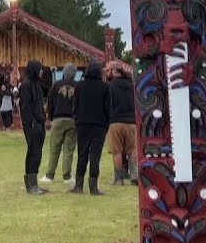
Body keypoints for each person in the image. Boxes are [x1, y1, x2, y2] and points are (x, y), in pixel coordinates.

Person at [71, 61, 111, 195]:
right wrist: (106, 124)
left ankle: (78, 185)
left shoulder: (79, 86)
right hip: (99, 125)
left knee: (82, 154)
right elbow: (108, 109)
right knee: (95, 155)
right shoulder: (105, 87)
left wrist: (77, 120)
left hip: (82, 125)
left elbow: (75, 106)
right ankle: (93, 187)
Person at [42, 64, 79, 186]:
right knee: (69, 149)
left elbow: (50, 102)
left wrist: (49, 118)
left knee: (54, 148)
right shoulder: (78, 86)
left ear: (64, 72)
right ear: (74, 74)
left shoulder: (56, 85)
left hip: (57, 119)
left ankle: (50, 175)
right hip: (72, 120)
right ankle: (67, 176)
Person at [19, 60, 49, 195]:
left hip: (39, 122)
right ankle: (31, 185)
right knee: (34, 152)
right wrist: (31, 122)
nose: (42, 72)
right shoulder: (26, 85)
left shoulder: (37, 85)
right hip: (32, 124)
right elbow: (25, 107)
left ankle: (33, 182)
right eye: (40, 69)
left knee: (36, 152)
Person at [106, 62, 137, 185]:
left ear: (114, 71)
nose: (107, 73)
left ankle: (119, 179)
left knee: (117, 152)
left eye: (108, 70)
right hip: (131, 122)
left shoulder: (109, 86)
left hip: (115, 122)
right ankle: (135, 176)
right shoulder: (131, 85)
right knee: (132, 151)